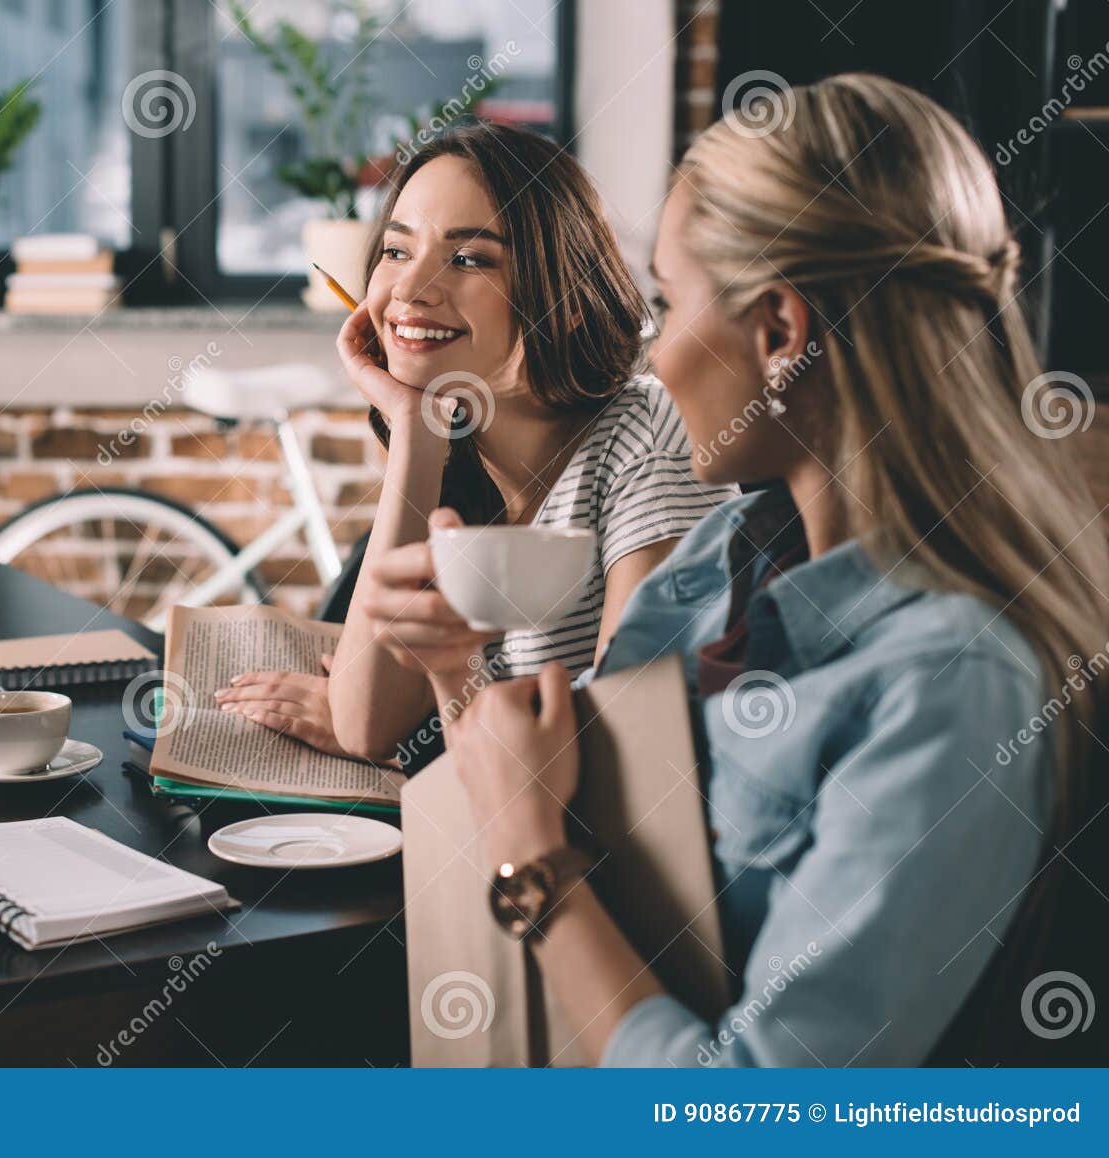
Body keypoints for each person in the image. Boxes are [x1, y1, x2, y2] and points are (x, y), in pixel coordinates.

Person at [364, 73, 1109, 1065]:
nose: (653, 352)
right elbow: (546, 788)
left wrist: (533, 869)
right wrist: (456, 670)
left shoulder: (952, 682)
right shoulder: (723, 556)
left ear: (778, 335)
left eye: (668, 305)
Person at [216, 122, 735, 763]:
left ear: (566, 298)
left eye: (469, 259)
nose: (409, 291)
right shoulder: (454, 451)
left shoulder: (651, 443)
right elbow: (365, 725)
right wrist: (414, 432)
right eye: (397, 251)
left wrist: (439, 703)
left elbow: (628, 750)